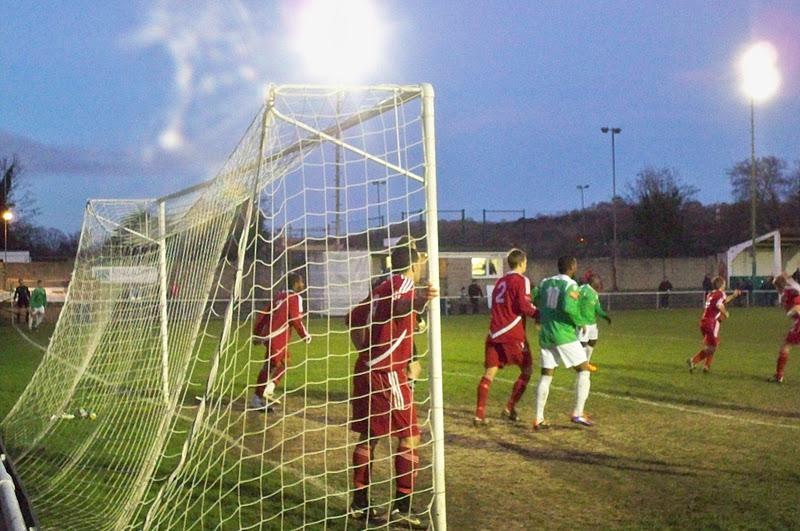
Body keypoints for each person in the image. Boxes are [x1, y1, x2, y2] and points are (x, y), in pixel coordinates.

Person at [346, 246, 437, 527]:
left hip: (366, 369)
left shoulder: (381, 286)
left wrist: (366, 351)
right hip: (388, 375)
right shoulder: (403, 284)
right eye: (421, 260)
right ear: (413, 263)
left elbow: (351, 318)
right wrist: (418, 301)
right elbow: (397, 306)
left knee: (369, 436)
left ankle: (360, 503)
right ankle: (402, 506)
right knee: (411, 435)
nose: (423, 265)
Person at [473, 248, 538, 426]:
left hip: (494, 333)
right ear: (521, 263)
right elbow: (525, 306)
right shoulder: (522, 280)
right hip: (512, 332)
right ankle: (509, 408)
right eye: (525, 262)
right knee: (527, 369)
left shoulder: (500, 281)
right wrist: (539, 314)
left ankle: (479, 415)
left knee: (489, 373)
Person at [531, 256, 594, 429]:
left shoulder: (545, 282)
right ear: (572, 267)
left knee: (546, 375)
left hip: (546, 334)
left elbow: (534, 297)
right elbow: (568, 306)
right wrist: (580, 321)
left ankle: (539, 418)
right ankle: (578, 413)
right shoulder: (570, 285)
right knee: (584, 370)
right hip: (563, 334)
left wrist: (544, 311)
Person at [250, 272, 311, 411]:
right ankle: (256, 398)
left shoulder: (279, 296)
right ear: (295, 283)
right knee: (270, 366)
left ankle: (269, 388)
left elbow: (264, 314)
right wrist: (305, 335)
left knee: (285, 363)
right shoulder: (295, 298)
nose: (302, 285)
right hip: (277, 337)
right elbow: (296, 320)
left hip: (272, 336)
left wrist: (258, 334)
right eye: (301, 282)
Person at [686, 276, 740, 373]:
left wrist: (733, 295)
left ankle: (707, 366)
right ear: (721, 285)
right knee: (713, 346)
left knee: (710, 345)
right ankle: (693, 360)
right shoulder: (721, 294)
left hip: (703, 322)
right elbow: (720, 305)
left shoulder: (711, 294)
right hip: (712, 322)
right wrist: (725, 313)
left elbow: (723, 300)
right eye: (724, 283)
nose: (725, 285)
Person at [767, 274, 800, 383]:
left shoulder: (790, 292)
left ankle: (779, 375)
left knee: (785, 347)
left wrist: (791, 312)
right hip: (797, 322)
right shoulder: (790, 291)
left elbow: (797, 305)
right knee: (786, 346)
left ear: (778, 286)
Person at [577, 273, 611, 372]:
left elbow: (597, 308)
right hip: (583, 322)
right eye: (598, 281)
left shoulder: (595, 294)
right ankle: (582, 363)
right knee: (583, 342)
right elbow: (575, 301)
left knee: (592, 341)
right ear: (593, 281)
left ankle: (587, 362)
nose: (599, 283)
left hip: (592, 323)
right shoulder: (583, 289)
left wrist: (605, 316)